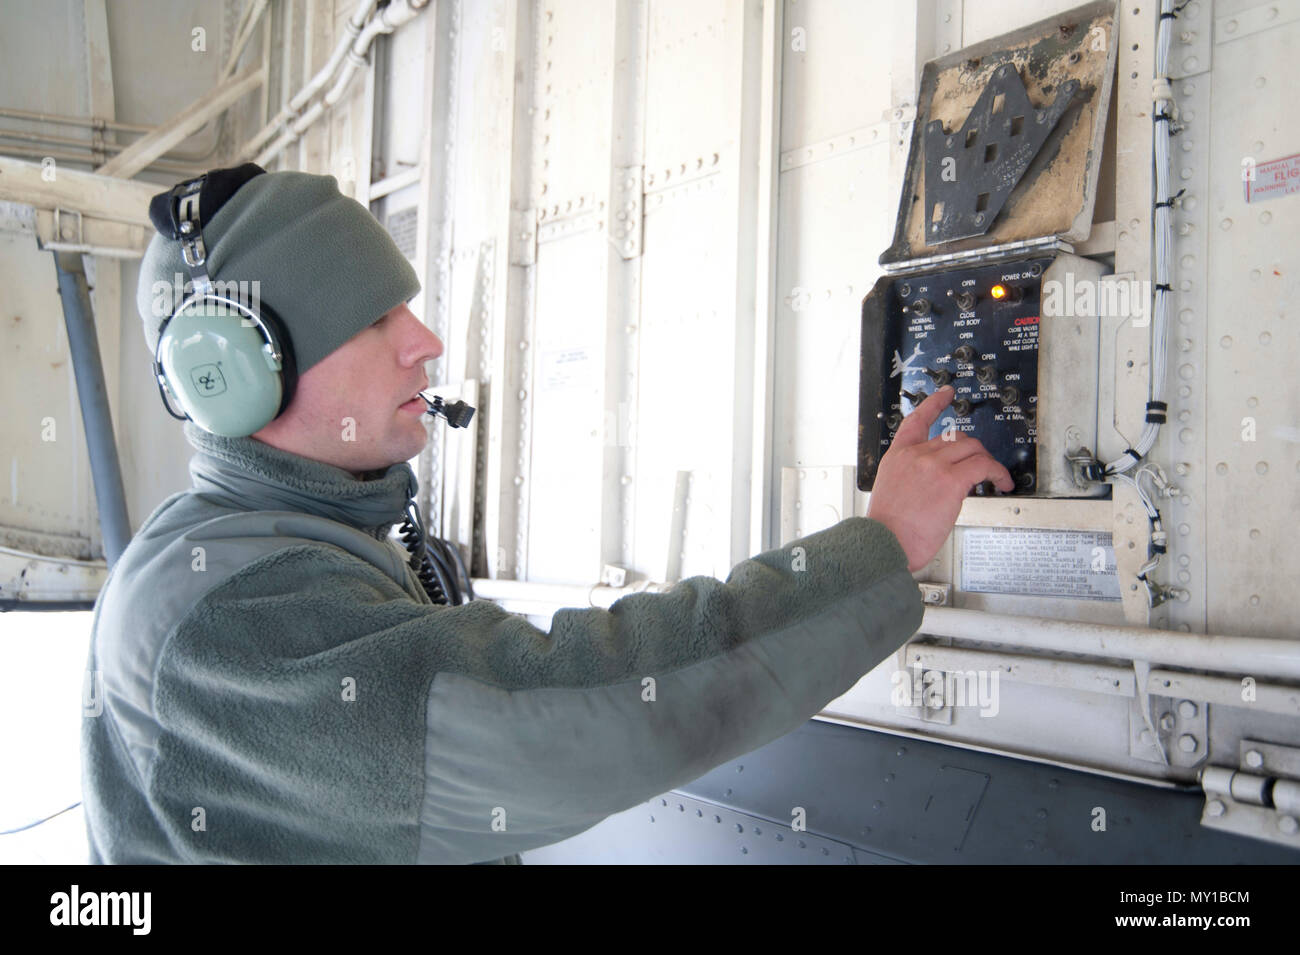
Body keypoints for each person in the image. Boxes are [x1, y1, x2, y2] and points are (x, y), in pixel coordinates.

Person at [81, 166, 1012, 864]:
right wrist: (879, 549)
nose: (424, 342)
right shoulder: (227, 613)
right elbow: (563, 708)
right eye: (374, 319)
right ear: (235, 374)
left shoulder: (283, 548)